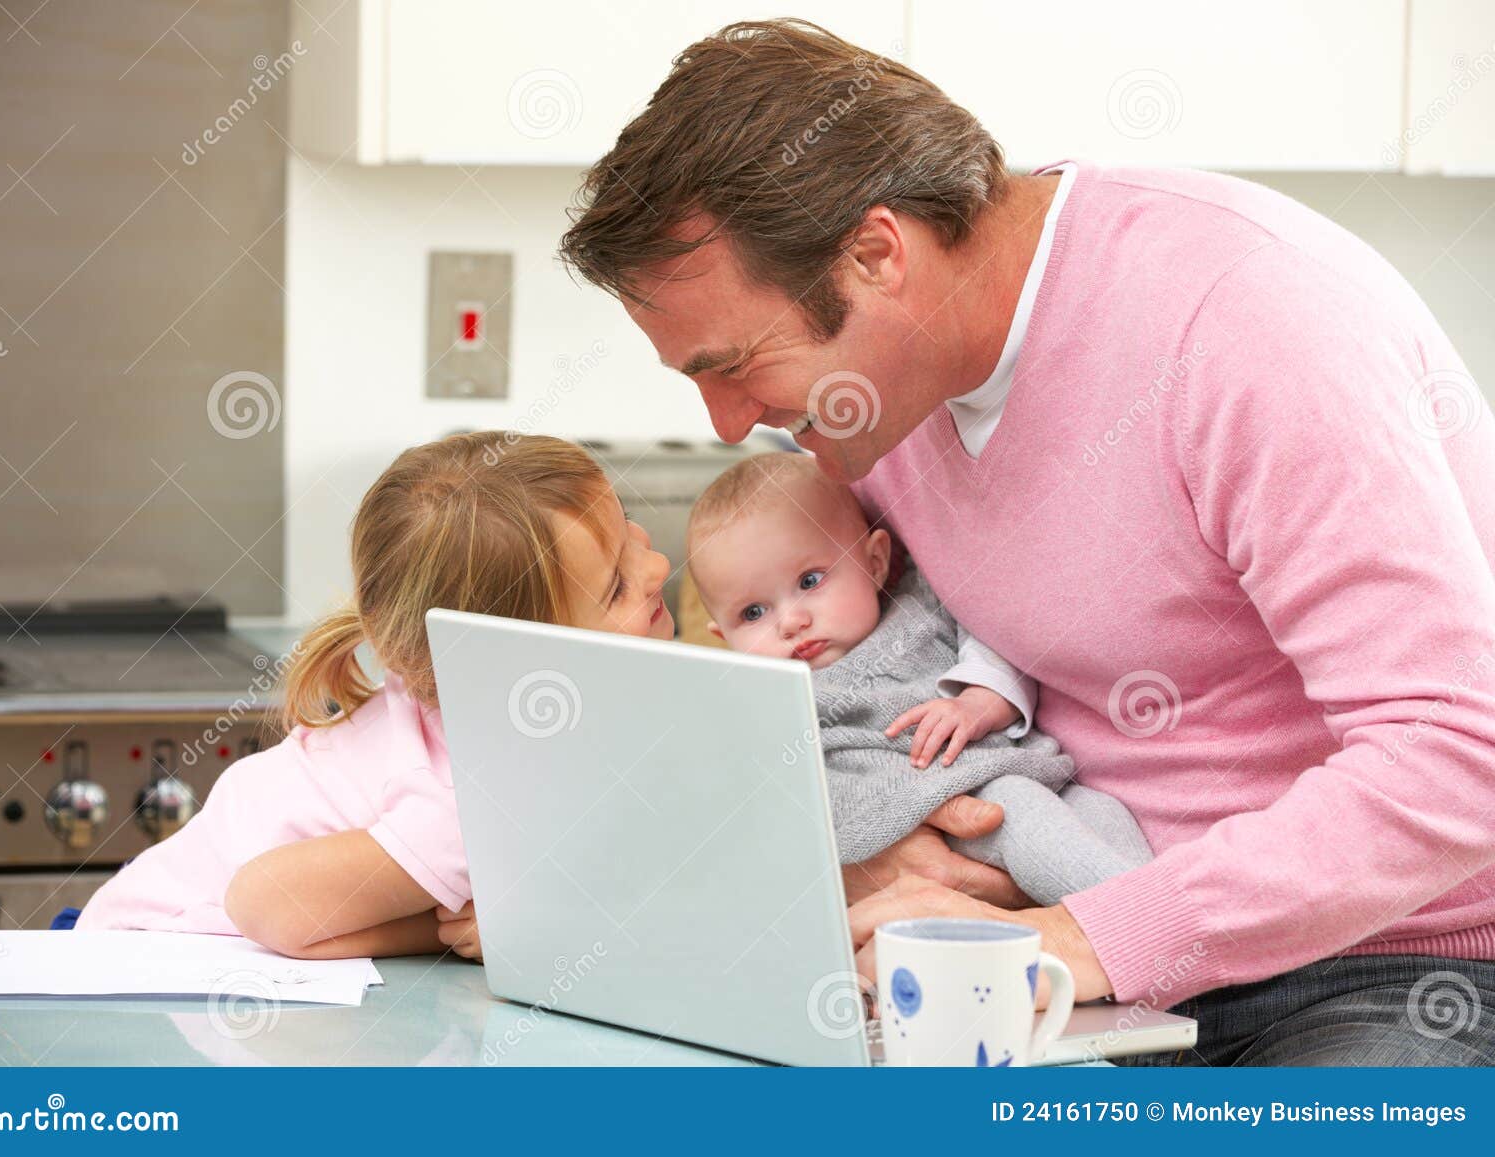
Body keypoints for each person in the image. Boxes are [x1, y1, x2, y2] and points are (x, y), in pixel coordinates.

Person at [557, 19, 1495, 1063]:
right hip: (1049, 929)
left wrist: (1093, 933)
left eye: (733, 364)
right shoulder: (874, 406)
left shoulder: (1251, 322)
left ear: (876, 254)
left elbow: (1457, 755)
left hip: (1380, 967)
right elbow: (887, 676)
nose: (733, 423)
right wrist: (885, 842)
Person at [77, 432, 674, 960]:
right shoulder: (472, 796)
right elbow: (266, 906)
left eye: (628, 528)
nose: (658, 567)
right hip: (151, 955)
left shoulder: (477, 695)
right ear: (513, 668)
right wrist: (460, 927)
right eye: (617, 586)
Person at [686, 451, 1152, 904]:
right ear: (722, 636)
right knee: (1020, 813)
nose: (790, 622)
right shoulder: (770, 699)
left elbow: (995, 644)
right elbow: (763, 801)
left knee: (1102, 811)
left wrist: (978, 702)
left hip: (1022, 774)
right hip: (926, 816)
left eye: (809, 581)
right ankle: (1139, 929)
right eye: (752, 613)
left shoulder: (921, 608)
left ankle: (1154, 938)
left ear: (874, 561)